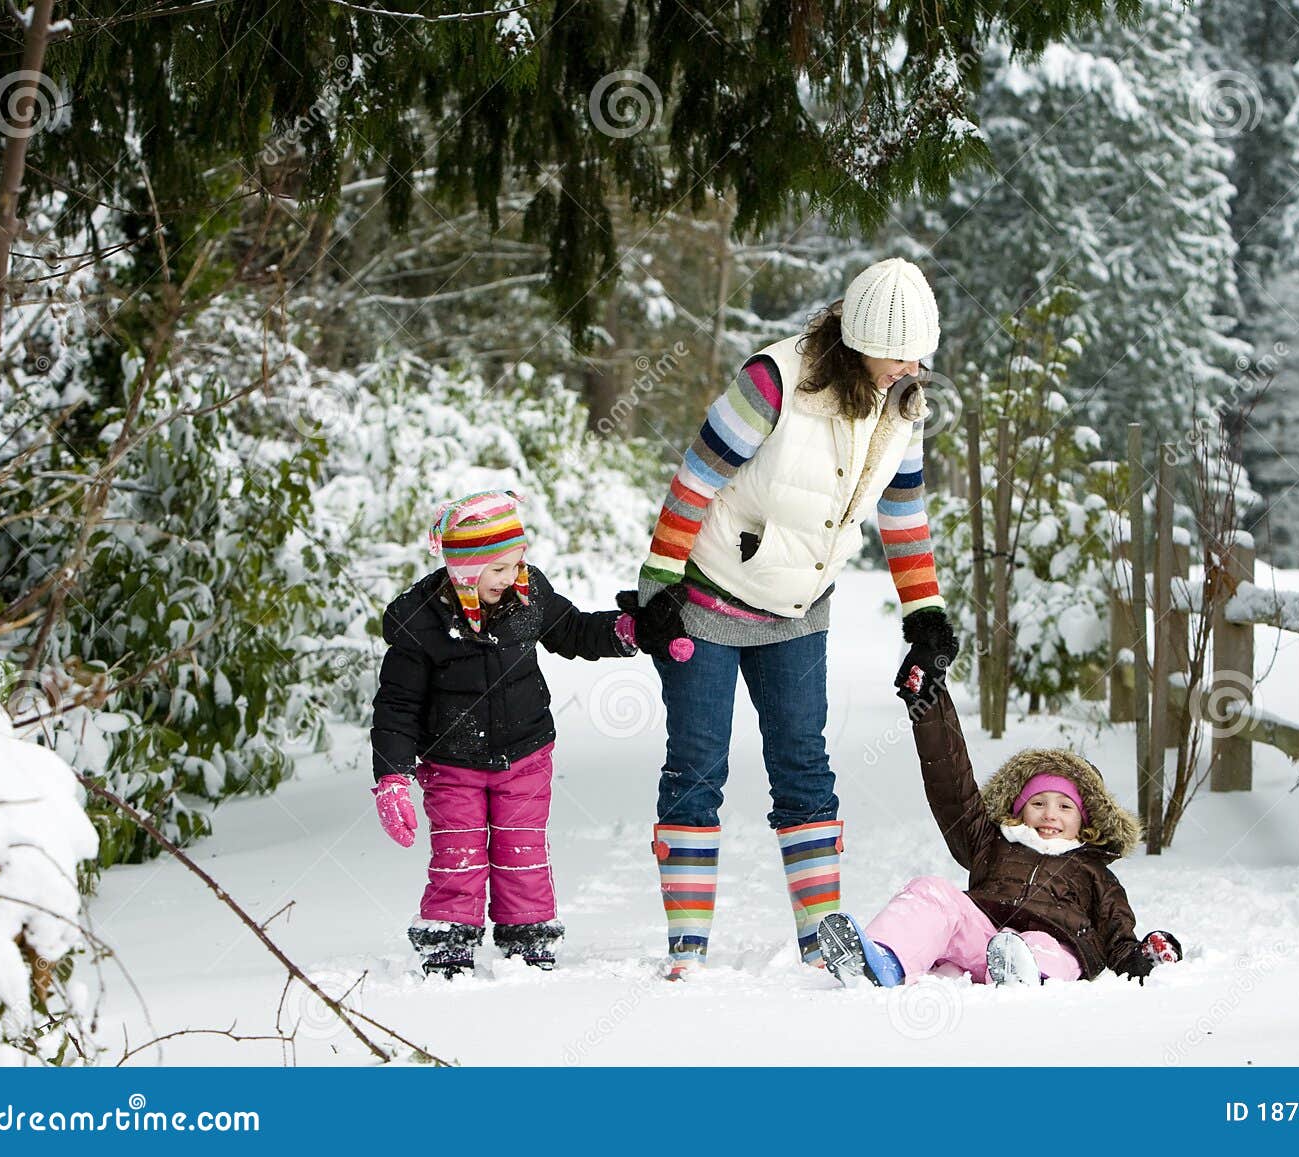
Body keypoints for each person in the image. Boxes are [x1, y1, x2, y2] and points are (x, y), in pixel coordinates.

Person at [619, 258, 960, 978]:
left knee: (805, 767)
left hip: (799, 609)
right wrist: (657, 584)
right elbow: (697, 476)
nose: (914, 365)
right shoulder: (774, 381)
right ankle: (686, 947)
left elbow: (902, 513)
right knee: (696, 765)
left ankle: (819, 942)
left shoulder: (904, 403)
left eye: (920, 353)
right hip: (710, 597)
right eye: (900, 352)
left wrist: (924, 613)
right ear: (860, 338)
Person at [369, 490, 638, 977]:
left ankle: (528, 935)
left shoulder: (528, 594)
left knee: (523, 848)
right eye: (497, 569)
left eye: (517, 564)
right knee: (459, 851)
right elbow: (397, 706)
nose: (511, 577)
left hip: (525, 752)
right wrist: (392, 777)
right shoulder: (423, 621)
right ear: (464, 570)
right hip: (451, 762)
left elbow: (573, 631)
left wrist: (625, 632)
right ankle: (449, 938)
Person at [817, 684, 1183, 987]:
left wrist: (1145, 957)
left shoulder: (1095, 872)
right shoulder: (992, 841)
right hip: (981, 935)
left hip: (1052, 948)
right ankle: (883, 960)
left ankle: (1022, 978)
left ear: (1085, 821)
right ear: (1019, 809)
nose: (1050, 814)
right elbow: (952, 786)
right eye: (1038, 802)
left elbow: (1118, 940)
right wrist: (928, 700)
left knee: (1039, 944)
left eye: (1065, 807)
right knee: (931, 889)